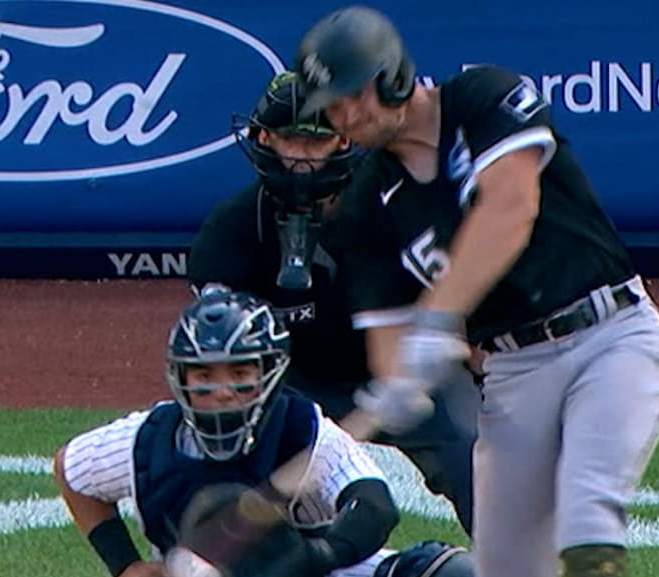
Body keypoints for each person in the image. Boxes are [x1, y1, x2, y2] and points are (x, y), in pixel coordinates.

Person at [293, 7, 659, 577]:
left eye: (355, 97)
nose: (347, 119)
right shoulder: (367, 203)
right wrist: (399, 380)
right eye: (332, 109)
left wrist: (439, 313)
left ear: (394, 74)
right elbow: (389, 342)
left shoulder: (484, 99)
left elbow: (510, 209)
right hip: (514, 371)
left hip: (611, 337)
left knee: (588, 511)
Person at [5, 289, 609, 577]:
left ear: (269, 375)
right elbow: (71, 467)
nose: (221, 390)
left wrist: (311, 557)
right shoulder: (146, 441)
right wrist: (125, 566)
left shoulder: (298, 429)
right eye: (204, 375)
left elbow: (372, 505)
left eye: (239, 373)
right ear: (178, 378)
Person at [189, 70, 480, 534]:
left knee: (477, 450)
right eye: (291, 140)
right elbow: (217, 349)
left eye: (316, 142)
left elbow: (462, 286)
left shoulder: (396, 205)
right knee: (222, 462)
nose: (302, 159)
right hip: (290, 387)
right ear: (264, 138)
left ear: (344, 142)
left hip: (406, 373)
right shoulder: (231, 230)